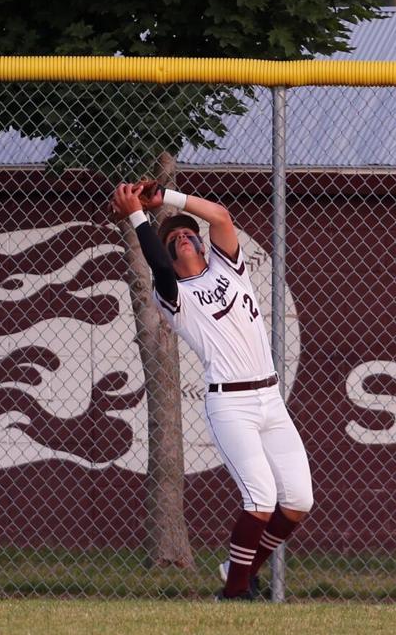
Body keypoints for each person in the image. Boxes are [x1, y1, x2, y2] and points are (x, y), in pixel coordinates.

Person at [110, 181, 313, 601]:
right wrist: (137, 217)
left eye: (189, 234)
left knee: (298, 501)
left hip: (270, 398)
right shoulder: (174, 296)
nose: (183, 237)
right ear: (167, 252)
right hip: (231, 404)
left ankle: (239, 570)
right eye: (174, 239)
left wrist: (164, 198)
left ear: (203, 246)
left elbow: (220, 216)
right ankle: (235, 592)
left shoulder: (228, 269)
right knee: (260, 499)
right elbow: (159, 268)